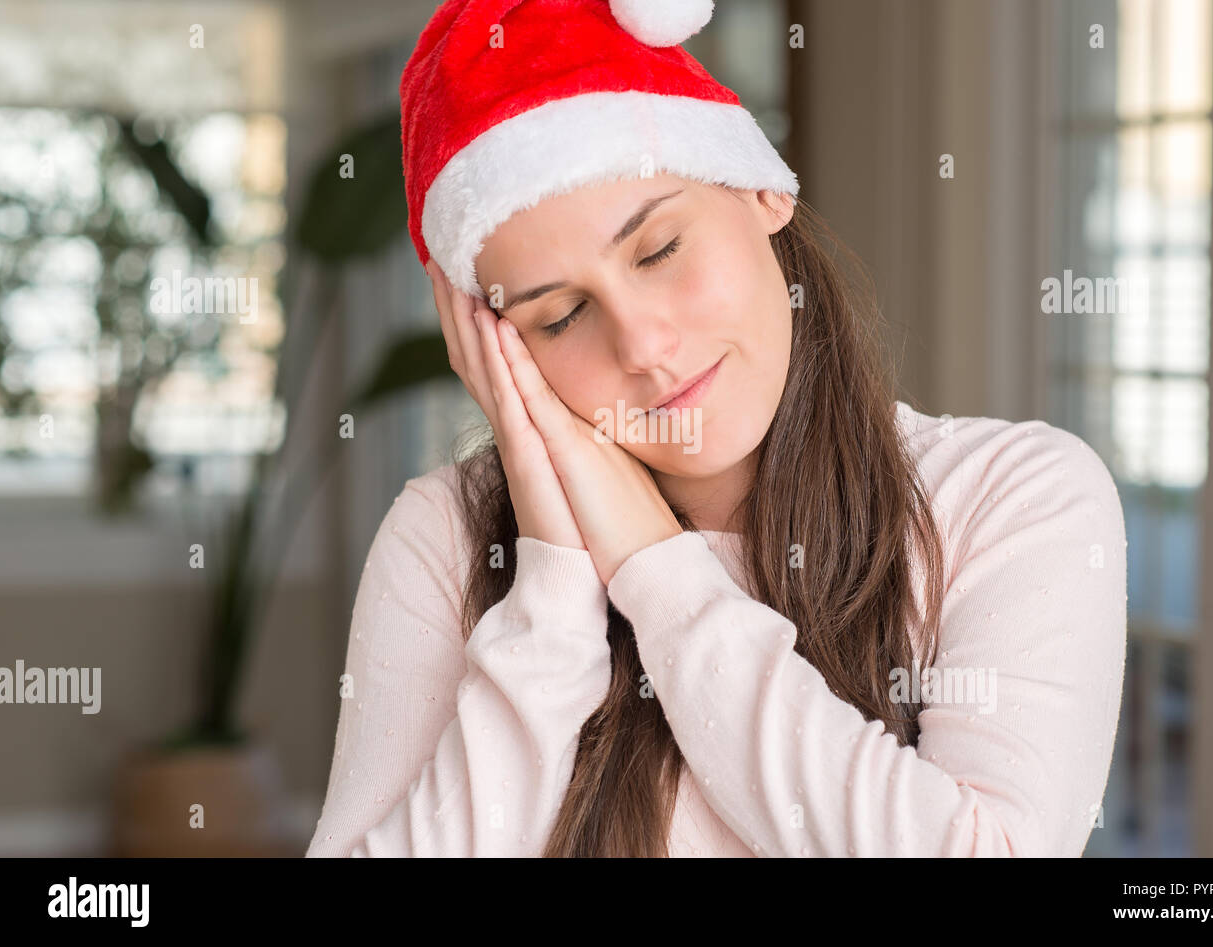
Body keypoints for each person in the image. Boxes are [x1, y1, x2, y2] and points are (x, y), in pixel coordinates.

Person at [306, 0, 1128, 858]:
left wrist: (654, 567)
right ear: (498, 352)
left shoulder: (1013, 496)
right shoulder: (447, 538)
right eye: (562, 315)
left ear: (761, 187)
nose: (646, 346)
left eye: (659, 249)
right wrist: (550, 602)